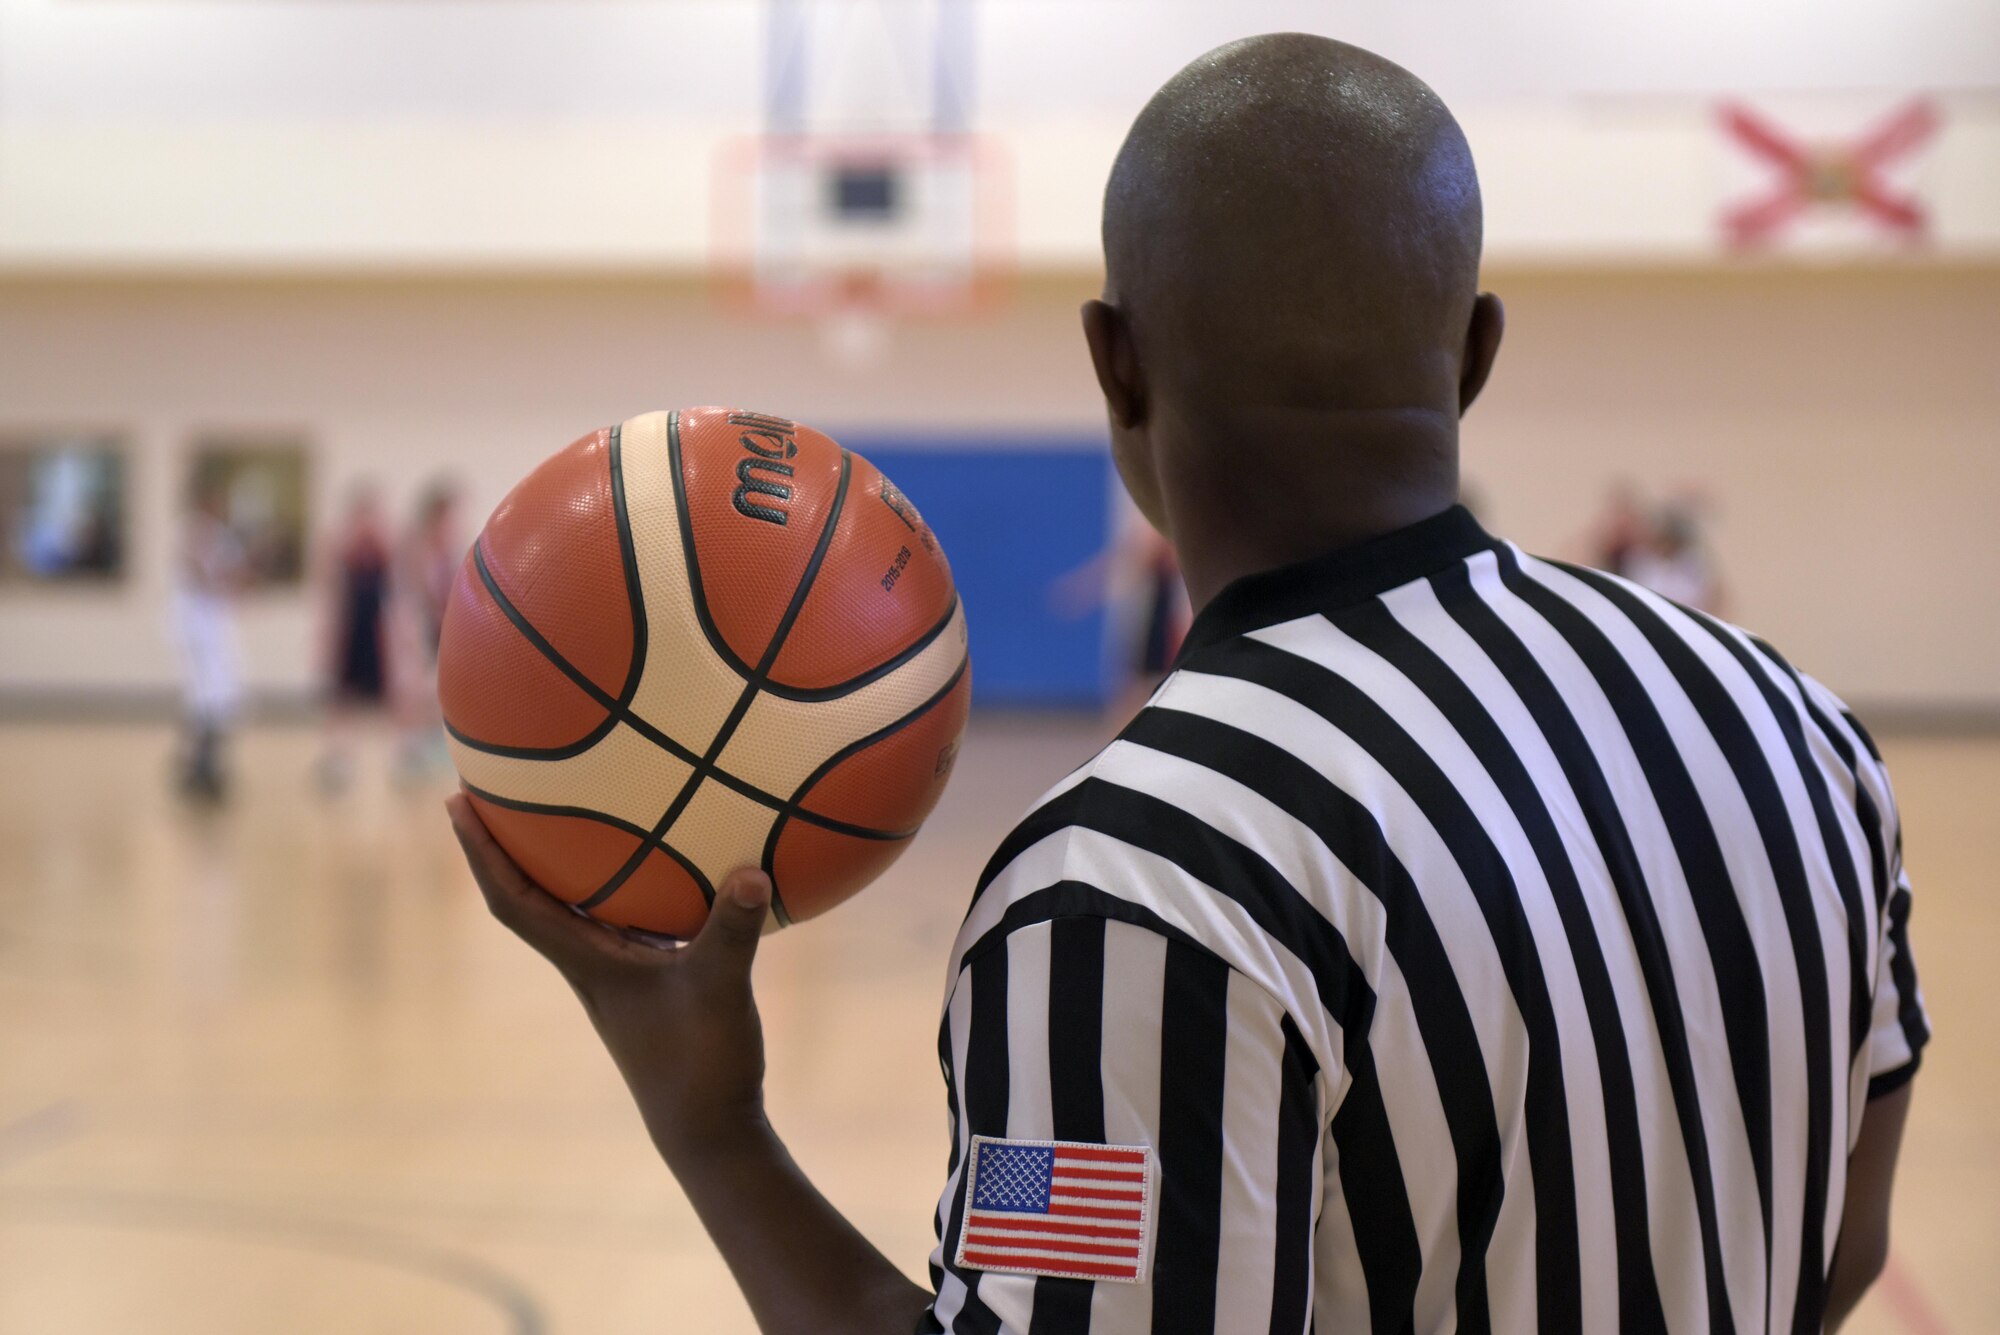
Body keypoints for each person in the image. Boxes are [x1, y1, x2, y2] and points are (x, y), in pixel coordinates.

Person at [447, 34, 1925, 1334]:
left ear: (1115, 364)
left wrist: (713, 1129)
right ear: (1475, 355)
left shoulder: (1125, 888)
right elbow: (1839, 1246)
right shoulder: (1800, 736)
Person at [171, 473, 247, 800]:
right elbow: (200, 574)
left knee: (223, 695)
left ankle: (209, 762)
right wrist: (220, 580)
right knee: (204, 695)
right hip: (197, 628)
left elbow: (236, 578)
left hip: (216, 627)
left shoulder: (223, 537)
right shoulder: (192, 532)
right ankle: (199, 764)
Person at [315, 484, 394, 793]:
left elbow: (397, 590)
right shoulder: (340, 548)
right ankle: (338, 759)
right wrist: (326, 641)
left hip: (375, 633)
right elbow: (330, 592)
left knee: (388, 701)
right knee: (342, 699)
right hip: (349, 632)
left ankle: (398, 758)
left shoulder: (384, 548)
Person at [391, 479, 462, 780]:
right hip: (415, 624)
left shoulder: (451, 550)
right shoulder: (417, 547)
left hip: (441, 626)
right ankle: (409, 752)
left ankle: (433, 746)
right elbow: (417, 591)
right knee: (414, 687)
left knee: (438, 688)